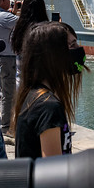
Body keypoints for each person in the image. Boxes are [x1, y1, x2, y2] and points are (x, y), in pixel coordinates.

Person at [13, 23, 84, 158]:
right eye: (72, 45)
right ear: (54, 55)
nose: (78, 49)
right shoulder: (48, 106)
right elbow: (53, 171)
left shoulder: (33, 95)